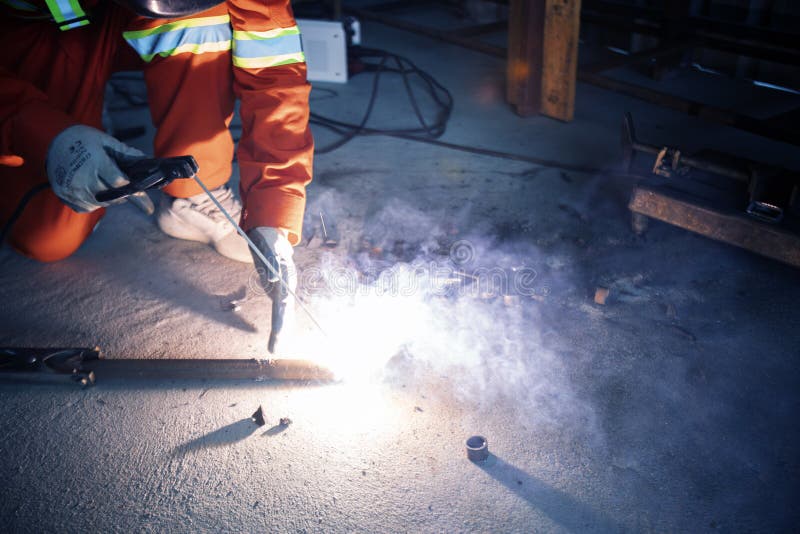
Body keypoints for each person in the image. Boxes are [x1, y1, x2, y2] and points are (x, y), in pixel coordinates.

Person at [0, 0, 313, 349]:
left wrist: (273, 211)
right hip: (34, 31)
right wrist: (44, 134)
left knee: (199, 20)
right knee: (47, 236)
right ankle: (87, 117)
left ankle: (193, 194)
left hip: (128, 18)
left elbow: (274, 69)